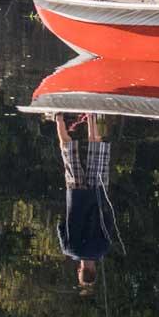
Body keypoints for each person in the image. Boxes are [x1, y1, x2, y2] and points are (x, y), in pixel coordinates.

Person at [53, 112, 113, 291]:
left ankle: (94, 115)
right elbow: (60, 226)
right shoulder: (69, 250)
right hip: (76, 195)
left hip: (97, 194)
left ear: (94, 270)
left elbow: (108, 222)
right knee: (67, 151)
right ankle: (59, 118)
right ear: (80, 269)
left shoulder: (103, 249)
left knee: (97, 148)